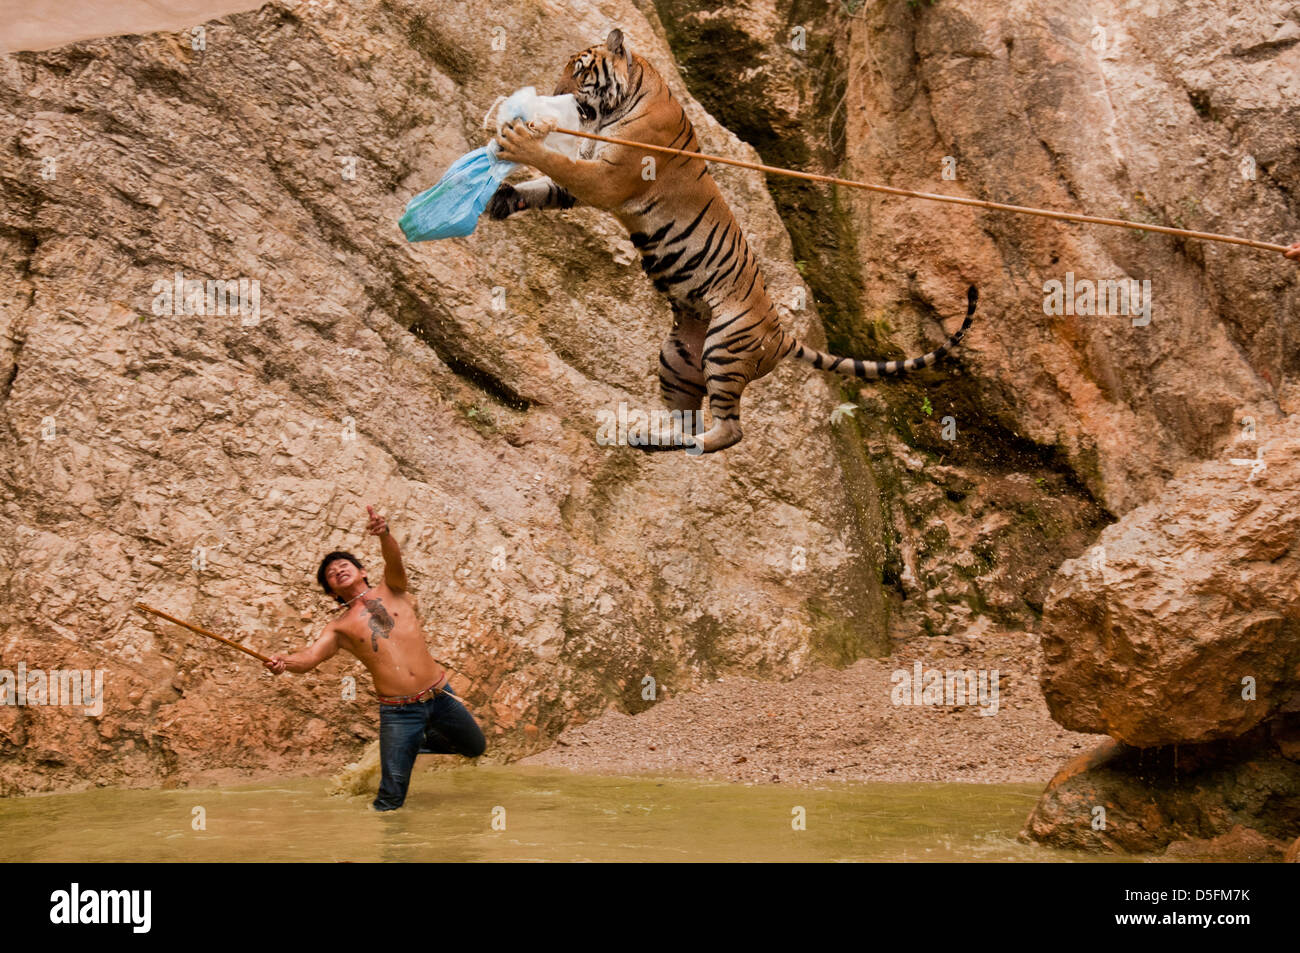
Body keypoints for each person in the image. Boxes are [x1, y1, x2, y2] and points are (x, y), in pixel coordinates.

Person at [264, 505, 486, 811]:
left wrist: (384, 534)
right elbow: (310, 658)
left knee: (475, 747)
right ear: (332, 593)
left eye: (343, 565)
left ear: (362, 571)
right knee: (390, 800)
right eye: (331, 574)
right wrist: (283, 663)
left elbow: (393, 559)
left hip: (440, 695)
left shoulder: (393, 589)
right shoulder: (339, 627)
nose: (338, 570)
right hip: (399, 713)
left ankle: (413, 745)